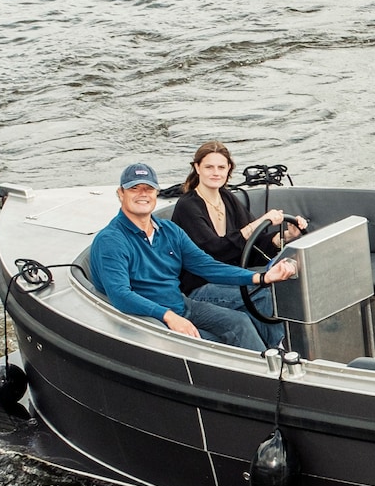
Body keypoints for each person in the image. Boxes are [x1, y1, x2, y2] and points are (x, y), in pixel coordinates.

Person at [89, 162, 298, 350]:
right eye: (134, 188)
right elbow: (120, 295)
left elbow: (208, 266)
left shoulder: (169, 230)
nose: (142, 194)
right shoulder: (111, 240)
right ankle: (264, 379)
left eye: (148, 188)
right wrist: (168, 317)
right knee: (218, 343)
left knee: (240, 323)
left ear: (155, 193)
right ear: (120, 194)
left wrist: (261, 278)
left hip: (181, 304)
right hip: (149, 319)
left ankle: (275, 359)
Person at [169, 140, 306, 276]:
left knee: (287, 280)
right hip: (201, 283)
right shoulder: (187, 206)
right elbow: (216, 251)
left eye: (221, 167)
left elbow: (253, 246)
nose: (216, 173)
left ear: (229, 168)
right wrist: (260, 221)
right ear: (197, 168)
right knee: (269, 293)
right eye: (209, 167)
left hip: (233, 275)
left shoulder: (227, 197)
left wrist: (287, 236)